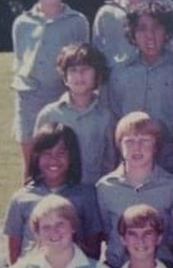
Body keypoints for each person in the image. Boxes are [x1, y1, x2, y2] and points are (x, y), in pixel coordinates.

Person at [11, 0, 89, 166]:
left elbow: (82, 61)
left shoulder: (77, 21)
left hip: (62, 95)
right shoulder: (22, 23)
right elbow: (20, 59)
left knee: (62, 154)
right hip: (29, 98)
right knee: (31, 157)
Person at [108, 2, 173, 176]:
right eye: (142, 29)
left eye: (157, 28)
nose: (150, 36)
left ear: (167, 32)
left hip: (170, 161)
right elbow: (114, 116)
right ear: (132, 34)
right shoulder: (120, 73)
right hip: (130, 162)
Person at [4, 123, 104, 262]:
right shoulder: (21, 199)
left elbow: (93, 247)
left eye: (61, 153)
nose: (53, 159)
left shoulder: (86, 196)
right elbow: (14, 251)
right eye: (46, 153)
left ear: (72, 156)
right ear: (36, 157)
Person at [96, 112, 173, 268]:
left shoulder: (172, 185)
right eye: (129, 141)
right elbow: (107, 232)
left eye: (145, 141)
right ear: (119, 146)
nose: (137, 148)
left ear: (156, 146)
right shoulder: (105, 187)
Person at [34, 43, 117, 186]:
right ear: (64, 77)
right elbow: (37, 160)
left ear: (97, 75)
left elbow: (110, 162)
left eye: (85, 69)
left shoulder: (106, 117)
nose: (79, 75)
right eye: (73, 70)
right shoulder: (49, 114)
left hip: (91, 192)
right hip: (57, 193)